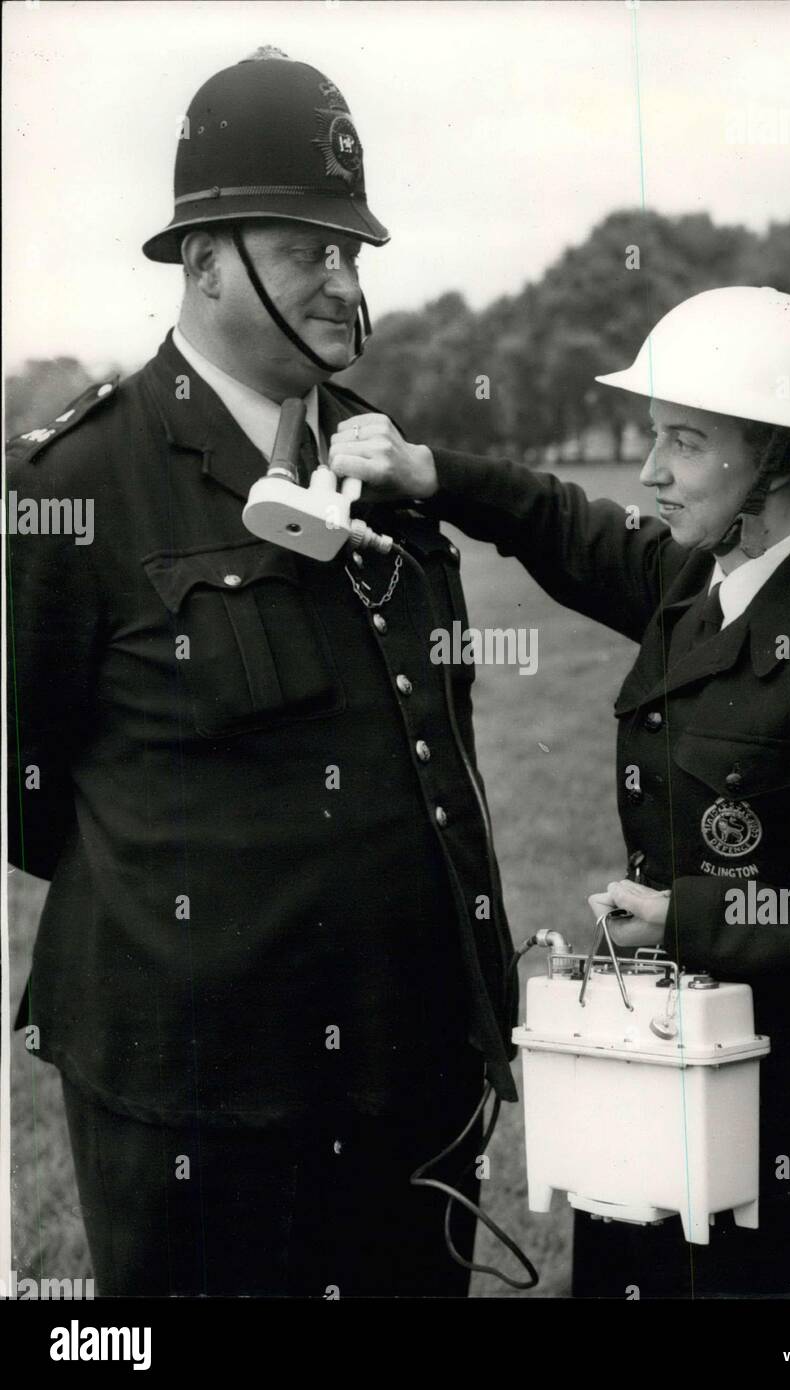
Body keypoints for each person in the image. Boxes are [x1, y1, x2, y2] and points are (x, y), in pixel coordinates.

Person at [326, 285, 790, 1298]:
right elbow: (557, 520)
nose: (650, 471)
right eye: (653, 435)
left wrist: (689, 919)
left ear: (773, 455)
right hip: (639, 1116)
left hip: (787, 1151)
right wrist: (426, 470)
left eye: (682, 441)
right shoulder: (690, 583)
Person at [6, 49, 518, 1298]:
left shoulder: (380, 476)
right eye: (310, 250)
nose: (346, 281)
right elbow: (29, 793)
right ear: (206, 260)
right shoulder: (75, 483)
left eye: (354, 252)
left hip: (410, 1083)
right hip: (200, 1107)